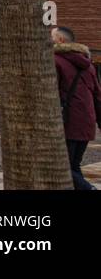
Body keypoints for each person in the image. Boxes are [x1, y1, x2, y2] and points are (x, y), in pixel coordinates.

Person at [52, 26, 100, 190]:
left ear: (60, 40)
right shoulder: (88, 64)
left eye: (51, 37)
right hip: (87, 122)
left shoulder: (56, 61)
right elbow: (97, 95)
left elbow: (53, 93)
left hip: (69, 122)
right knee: (74, 165)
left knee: (63, 166)